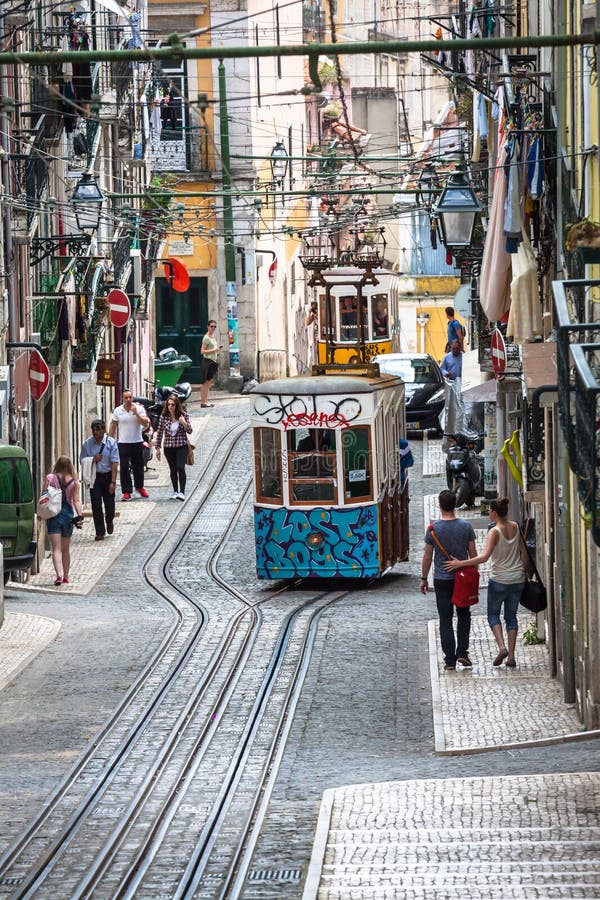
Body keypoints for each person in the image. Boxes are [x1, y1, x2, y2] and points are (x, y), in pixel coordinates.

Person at [444, 497, 528, 667]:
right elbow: (524, 554)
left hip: (499, 579)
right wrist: (524, 572)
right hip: (517, 578)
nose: (489, 513)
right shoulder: (516, 527)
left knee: (493, 615)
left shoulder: (495, 532)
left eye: (490, 511)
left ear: (495, 513)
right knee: (511, 617)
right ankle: (511, 657)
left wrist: (460, 563)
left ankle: (502, 647)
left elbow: (484, 557)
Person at [420, 489, 477, 669]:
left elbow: (427, 556)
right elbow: (473, 555)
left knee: (445, 619)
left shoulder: (433, 529)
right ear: (455, 504)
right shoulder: (466, 527)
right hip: (462, 580)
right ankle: (462, 652)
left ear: (439, 505)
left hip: (442, 580)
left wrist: (424, 578)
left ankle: (450, 660)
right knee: (464, 615)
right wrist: (469, 572)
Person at [45, 456, 84, 586]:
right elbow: (76, 501)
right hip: (67, 516)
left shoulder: (50, 478)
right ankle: (66, 577)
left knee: (55, 549)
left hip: (53, 515)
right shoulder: (74, 482)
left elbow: (44, 497)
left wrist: (40, 513)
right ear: (70, 466)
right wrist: (80, 516)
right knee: (65, 550)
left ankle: (59, 576)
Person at [80, 419, 120, 541]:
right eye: (93, 430)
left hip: (107, 476)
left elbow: (114, 463)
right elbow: (82, 460)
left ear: (103, 430)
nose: (95, 432)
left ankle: (109, 521)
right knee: (96, 505)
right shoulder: (87, 444)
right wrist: (93, 459)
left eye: (98, 429)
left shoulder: (111, 443)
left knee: (110, 505)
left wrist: (113, 482)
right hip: (95, 477)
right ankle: (100, 532)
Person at [109, 389, 150, 501]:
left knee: (138, 466)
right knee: (124, 468)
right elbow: (113, 424)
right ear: (122, 399)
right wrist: (110, 440)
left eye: (130, 397)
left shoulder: (139, 409)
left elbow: (145, 423)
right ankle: (126, 491)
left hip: (137, 441)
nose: (128, 400)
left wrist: (136, 413)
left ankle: (139, 487)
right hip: (123, 443)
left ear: (132, 398)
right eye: (126, 397)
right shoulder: (118, 411)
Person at [155, 394, 193, 500]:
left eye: (172, 405)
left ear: (177, 405)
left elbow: (190, 431)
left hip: (181, 445)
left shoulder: (183, 415)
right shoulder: (164, 417)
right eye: (168, 405)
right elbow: (160, 433)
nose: (170, 407)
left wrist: (184, 423)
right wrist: (158, 448)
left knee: (180, 467)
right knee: (172, 469)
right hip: (168, 447)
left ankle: (182, 492)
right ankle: (175, 491)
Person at [200, 320, 222, 408]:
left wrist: (217, 349)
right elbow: (202, 351)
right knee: (205, 382)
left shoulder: (212, 336)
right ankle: (203, 402)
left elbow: (213, 349)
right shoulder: (206, 338)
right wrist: (214, 350)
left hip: (212, 361)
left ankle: (205, 401)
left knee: (209, 382)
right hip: (207, 361)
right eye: (211, 326)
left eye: (214, 327)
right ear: (208, 326)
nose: (213, 328)